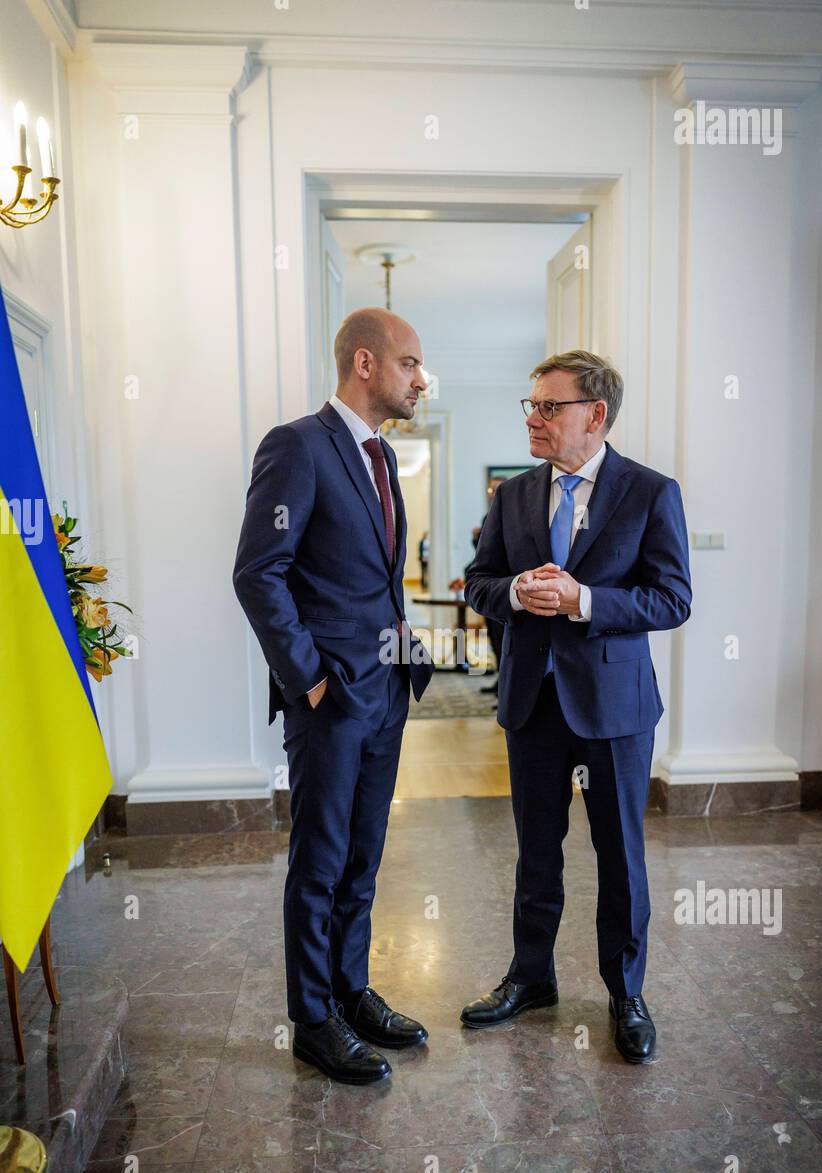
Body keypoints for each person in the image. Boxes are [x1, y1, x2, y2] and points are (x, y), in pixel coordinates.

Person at [461, 349, 691, 1063]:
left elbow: (671, 599)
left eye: (547, 407)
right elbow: (477, 582)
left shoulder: (651, 493)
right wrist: (514, 591)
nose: (533, 418)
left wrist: (583, 600)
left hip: (614, 706)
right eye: (530, 406)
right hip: (532, 699)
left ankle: (626, 992)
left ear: (595, 415)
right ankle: (530, 978)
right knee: (535, 851)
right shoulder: (514, 496)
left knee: (619, 853)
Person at [233, 307, 433, 1085]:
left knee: (363, 856)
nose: (420, 379)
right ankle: (312, 1019)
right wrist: (309, 679)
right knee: (319, 860)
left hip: (386, 689)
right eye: (410, 363)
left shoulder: (382, 457)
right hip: (331, 698)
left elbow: (378, 579)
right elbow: (259, 572)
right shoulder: (296, 446)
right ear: (364, 363)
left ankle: (351, 990)